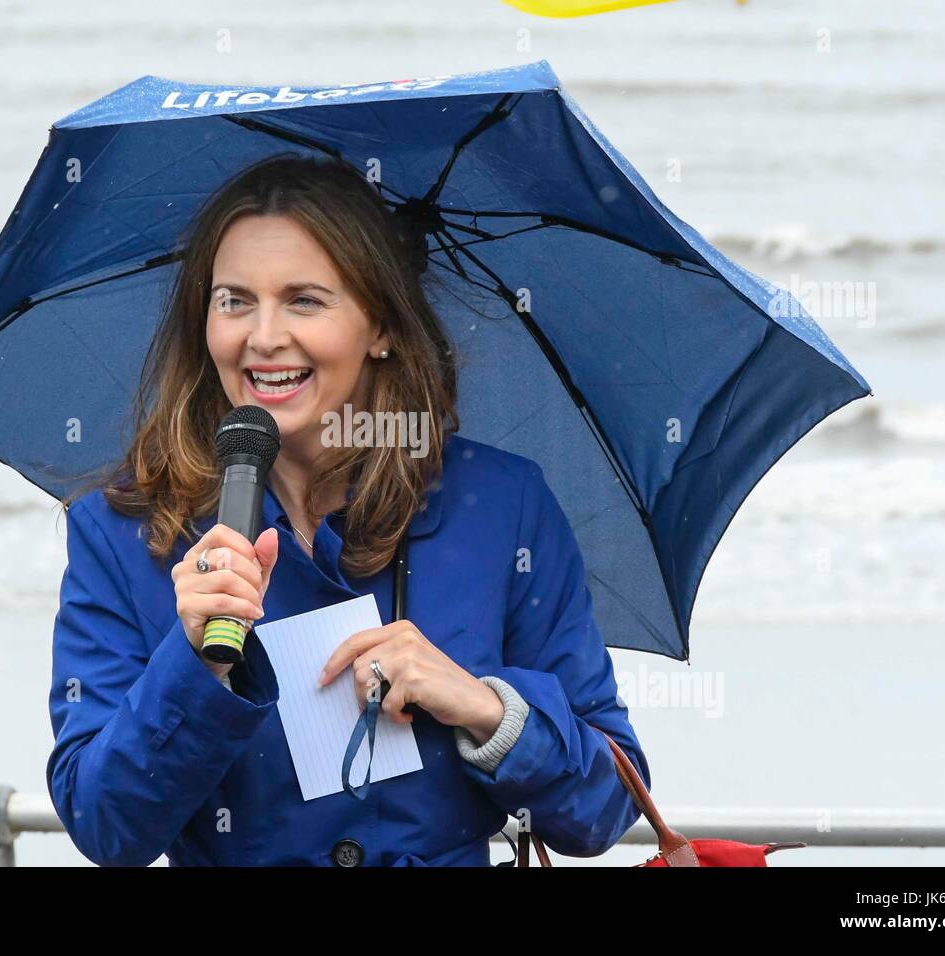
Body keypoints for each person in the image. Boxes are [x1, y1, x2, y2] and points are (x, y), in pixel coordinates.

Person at [45, 152, 650, 866]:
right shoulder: (123, 531)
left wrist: (485, 707)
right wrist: (195, 661)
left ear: (382, 327)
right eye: (234, 300)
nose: (263, 336)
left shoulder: (504, 507)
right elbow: (105, 825)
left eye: (305, 299)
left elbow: (606, 807)